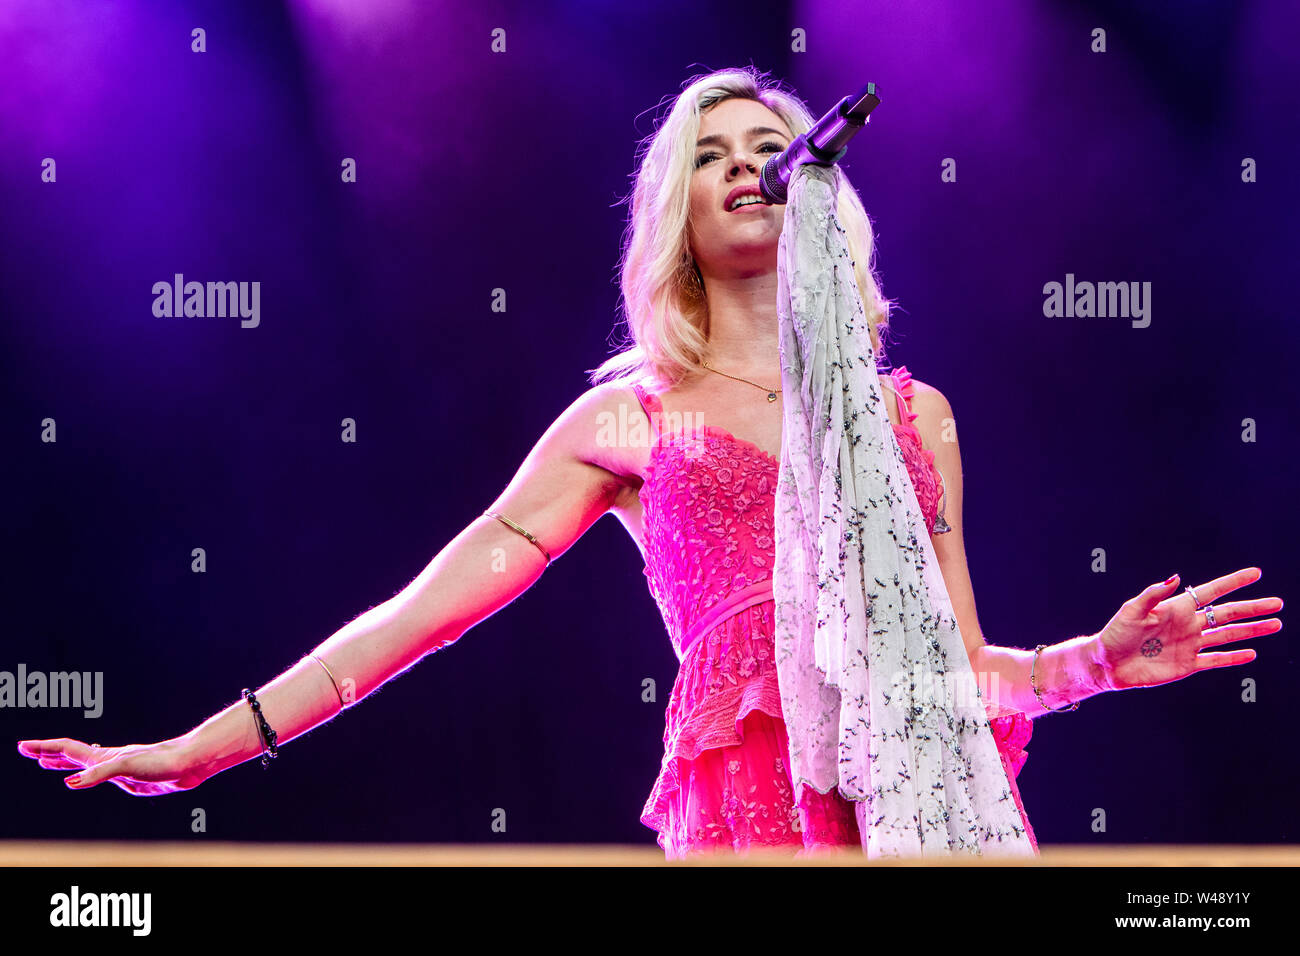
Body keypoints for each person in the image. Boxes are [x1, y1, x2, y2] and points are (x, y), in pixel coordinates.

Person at [18, 67, 1283, 858]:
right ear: (675, 207)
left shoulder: (914, 414)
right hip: (750, 798)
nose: (746, 167)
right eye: (714, 156)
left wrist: (1095, 664)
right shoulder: (627, 421)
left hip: (917, 800)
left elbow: (950, 673)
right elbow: (412, 620)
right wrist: (202, 747)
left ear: (816, 192)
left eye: (765, 149)